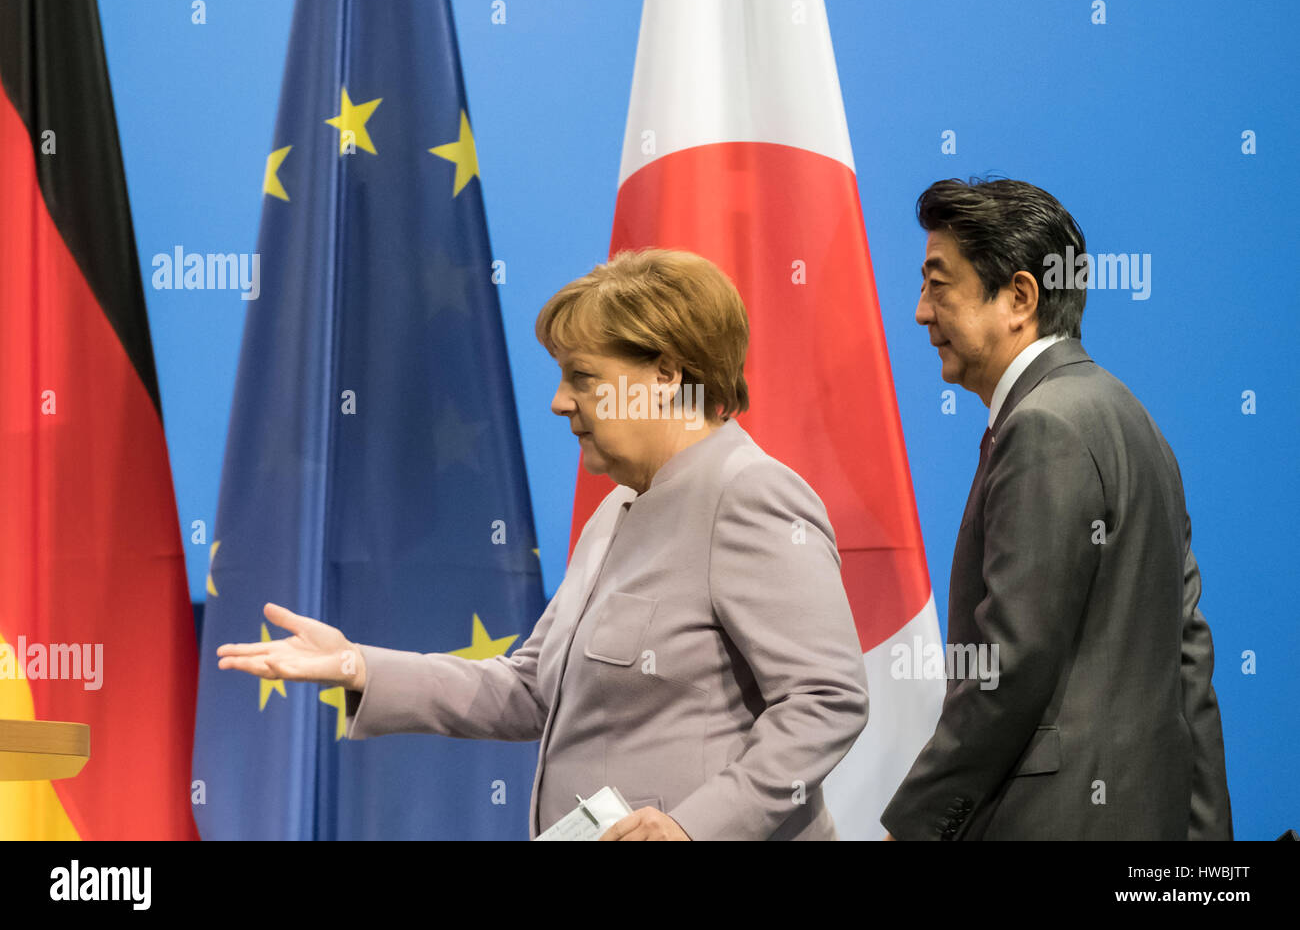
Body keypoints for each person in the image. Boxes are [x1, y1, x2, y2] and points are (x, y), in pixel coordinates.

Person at [218, 247, 869, 840]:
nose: (560, 402)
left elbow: (827, 698)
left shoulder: (750, 494)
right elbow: (532, 688)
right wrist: (356, 665)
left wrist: (692, 828)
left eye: (582, 376)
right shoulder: (617, 509)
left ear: (667, 374)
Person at [882, 177, 1232, 840]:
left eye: (938, 284)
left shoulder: (1043, 426)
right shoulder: (1134, 420)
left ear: (1019, 297)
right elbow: (1189, 662)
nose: (921, 311)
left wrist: (916, 828)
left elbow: (1008, 667)